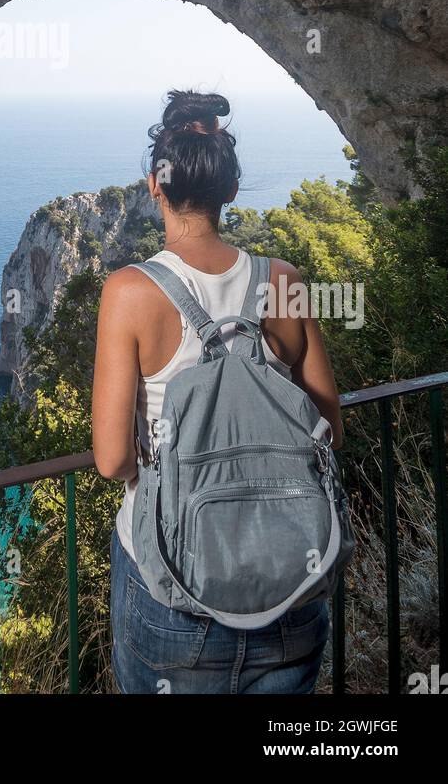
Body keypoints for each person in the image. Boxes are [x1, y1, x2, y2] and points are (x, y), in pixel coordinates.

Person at [92, 89, 344, 694]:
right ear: (231, 191)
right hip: (291, 582)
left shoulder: (130, 292)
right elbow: (331, 427)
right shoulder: (283, 281)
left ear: (156, 184)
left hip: (175, 593)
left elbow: (111, 460)